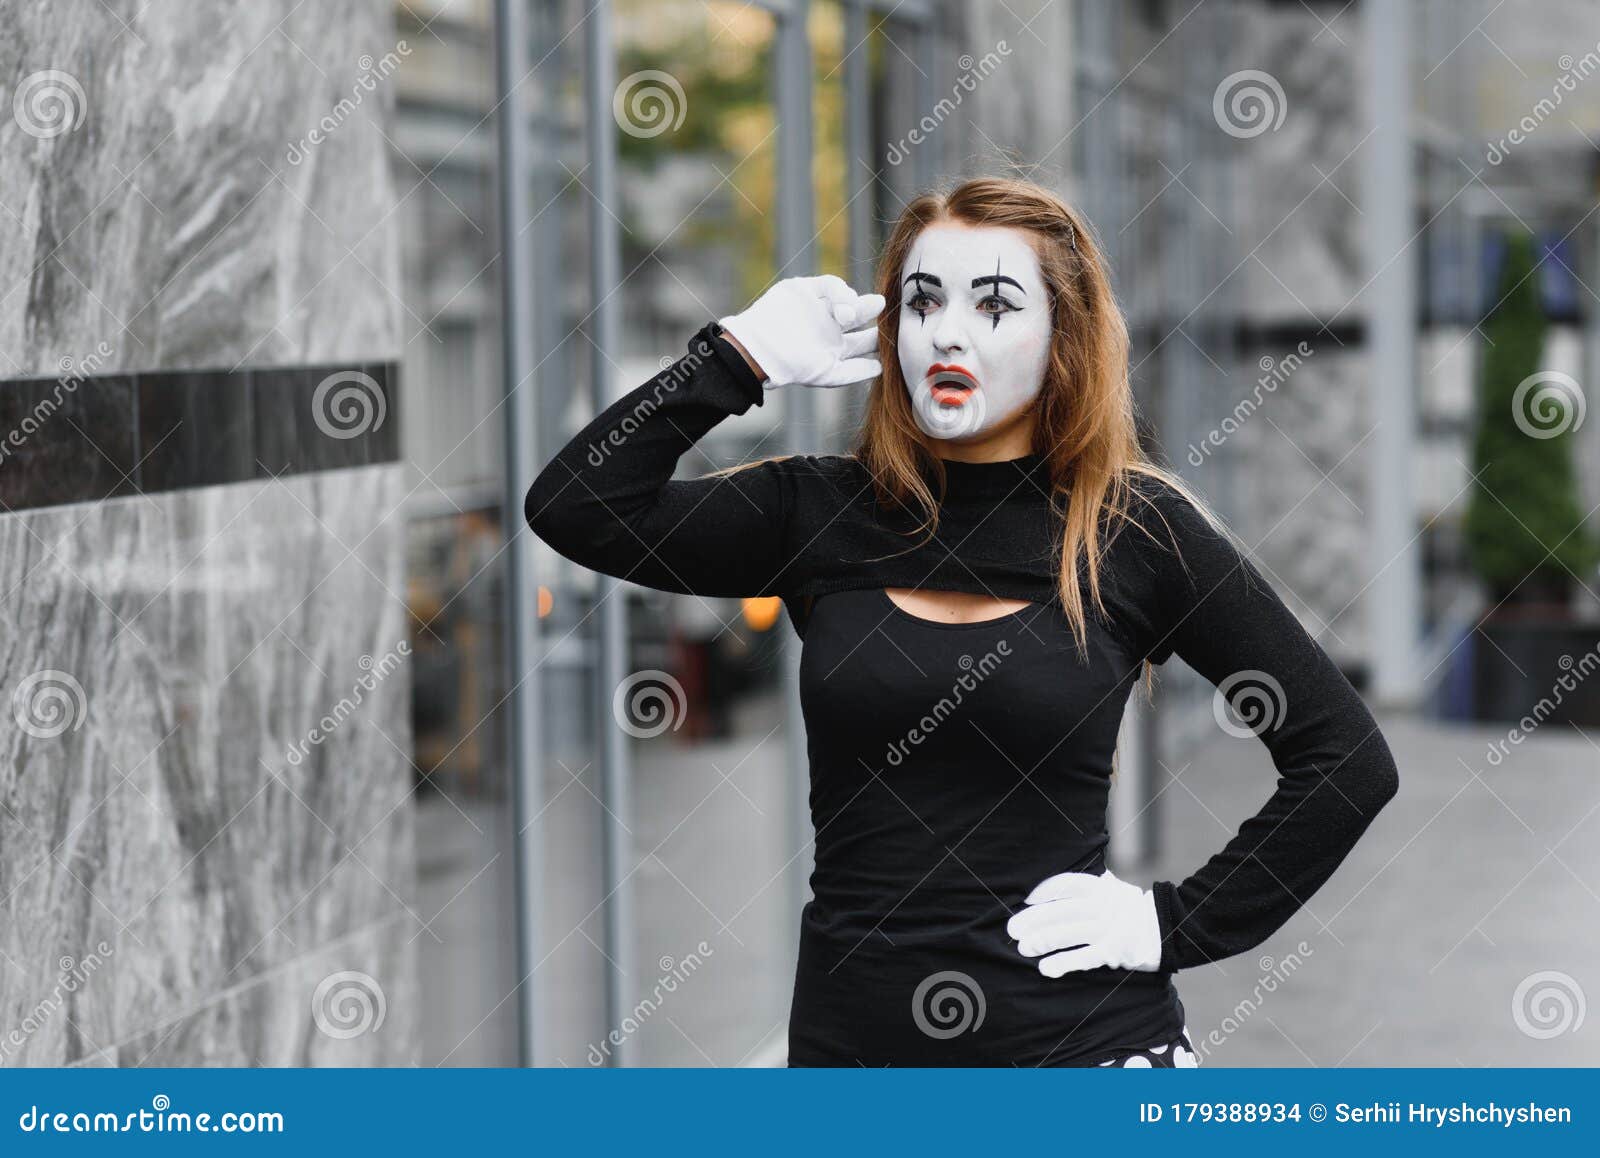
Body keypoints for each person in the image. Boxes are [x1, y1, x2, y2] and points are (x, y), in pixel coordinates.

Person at [525, 176, 1399, 1067]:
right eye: (923, 300)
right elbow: (577, 505)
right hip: (852, 1054)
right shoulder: (818, 512)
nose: (947, 330)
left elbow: (1346, 761)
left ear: (1063, 337)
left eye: (994, 305)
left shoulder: (1132, 531)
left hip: (1079, 1053)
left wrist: (1173, 922)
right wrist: (737, 357)